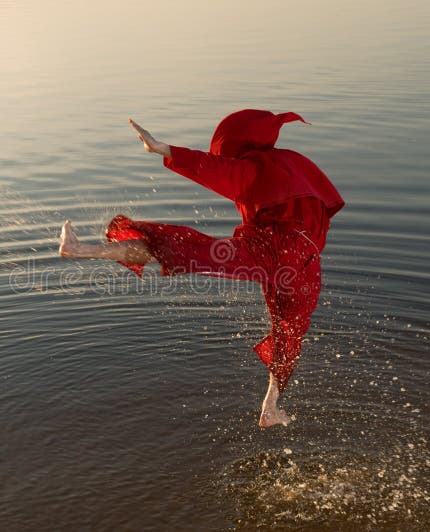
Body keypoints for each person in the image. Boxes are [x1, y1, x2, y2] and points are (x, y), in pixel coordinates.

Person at [58, 109, 344, 427]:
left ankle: (82, 249)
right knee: (290, 329)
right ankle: (271, 405)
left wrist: (163, 149)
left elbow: (217, 170)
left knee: (185, 250)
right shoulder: (294, 163)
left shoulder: (253, 168)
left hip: (272, 249)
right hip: (304, 261)